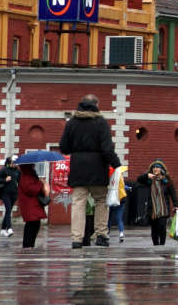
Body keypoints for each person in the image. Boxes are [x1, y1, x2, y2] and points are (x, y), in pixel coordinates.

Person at [57, 94, 118, 250]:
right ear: (96, 105)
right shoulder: (101, 123)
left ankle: (77, 239)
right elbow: (107, 149)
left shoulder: (71, 123)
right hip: (98, 168)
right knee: (101, 201)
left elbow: (64, 147)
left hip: (78, 168)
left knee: (78, 203)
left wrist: (77, 150)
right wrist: (116, 164)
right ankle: (101, 236)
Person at [132, 160, 178, 246]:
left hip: (163, 209)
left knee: (162, 227)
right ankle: (155, 245)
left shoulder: (167, 181)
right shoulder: (149, 180)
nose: (155, 169)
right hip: (152, 209)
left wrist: (176, 205)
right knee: (154, 229)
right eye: (153, 167)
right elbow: (139, 179)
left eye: (157, 167)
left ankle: (162, 245)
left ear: (161, 169)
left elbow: (173, 194)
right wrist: (147, 176)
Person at [17, 163, 48, 249]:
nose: (34, 167)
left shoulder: (30, 176)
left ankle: (29, 244)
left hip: (32, 205)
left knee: (34, 225)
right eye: (32, 165)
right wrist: (40, 183)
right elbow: (31, 190)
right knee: (31, 226)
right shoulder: (26, 177)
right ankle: (28, 245)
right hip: (30, 206)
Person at [0, 160, 19, 239]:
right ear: (9, 163)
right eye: (13, 163)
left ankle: (3, 230)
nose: (14, 164)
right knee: (8, 209)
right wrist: (5, 180)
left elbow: (19, 182)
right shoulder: (4, 170)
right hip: (5, 193)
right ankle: (9, 228)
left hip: (14, 194)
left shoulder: (18, 172)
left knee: (9, 211)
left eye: (15, 163)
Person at [106, 163, 128, 243]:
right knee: (119, 218)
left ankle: (107, 233)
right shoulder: (120, 177)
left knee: (109, 218)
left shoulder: (109, 177)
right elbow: (123, 187)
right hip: (121, 198)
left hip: (111, 199)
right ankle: (121, 233)